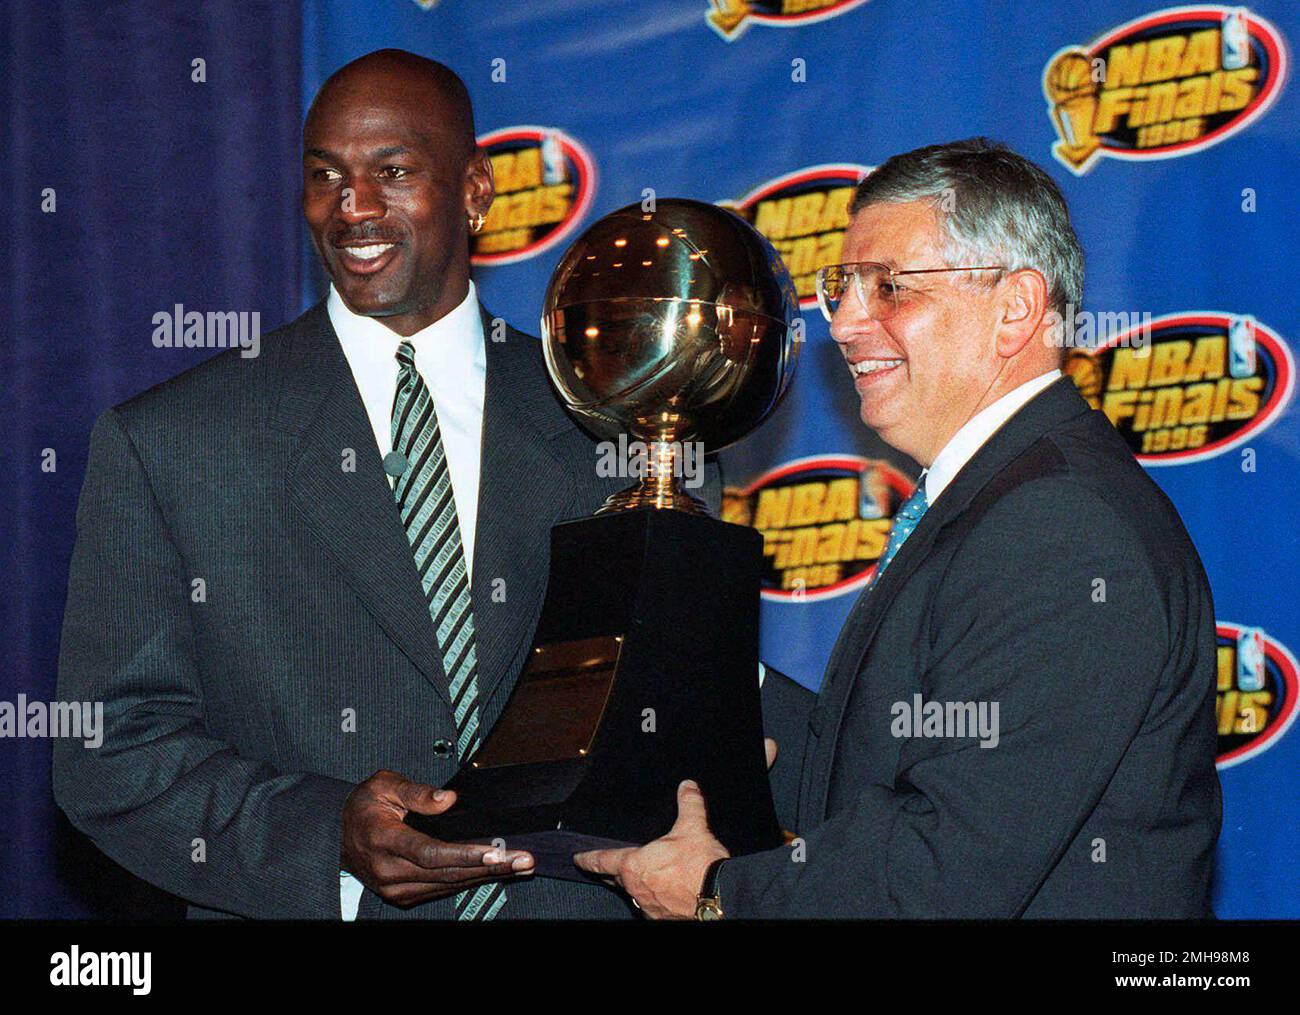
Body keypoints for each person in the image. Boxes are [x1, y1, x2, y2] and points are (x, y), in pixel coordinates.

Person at [53, 48, 808, 921]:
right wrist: (324, 834)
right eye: (324, 176)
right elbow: (109, 747)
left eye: (393, 171)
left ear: (477, 191)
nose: (353, 207)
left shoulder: (621, 426)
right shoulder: (174, 443)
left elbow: (679, 711)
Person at [576, 138, 1222, 919]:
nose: (844, 323)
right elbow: (888, 772)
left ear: (1015, 308)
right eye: (841, 287)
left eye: (888, 288)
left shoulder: (1058, 523)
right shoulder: (1004, 497)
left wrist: (718, 896)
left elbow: (946, 864)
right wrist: (705, 671)